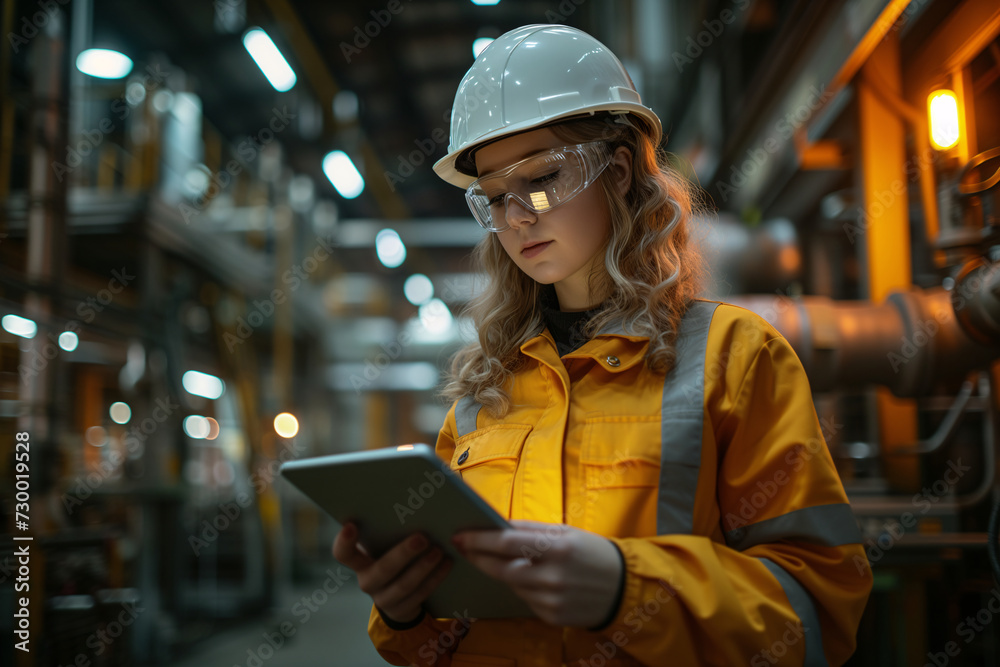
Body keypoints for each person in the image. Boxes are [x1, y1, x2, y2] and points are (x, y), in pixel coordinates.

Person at [333, 24, 872, 666]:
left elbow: (818, 613)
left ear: (616, 172)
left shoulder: (735, 358)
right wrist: (405, 609)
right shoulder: (486, 394)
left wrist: (626, 588)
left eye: (540, 180)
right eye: (496, 198)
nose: (517, 218)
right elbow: (442, 644)